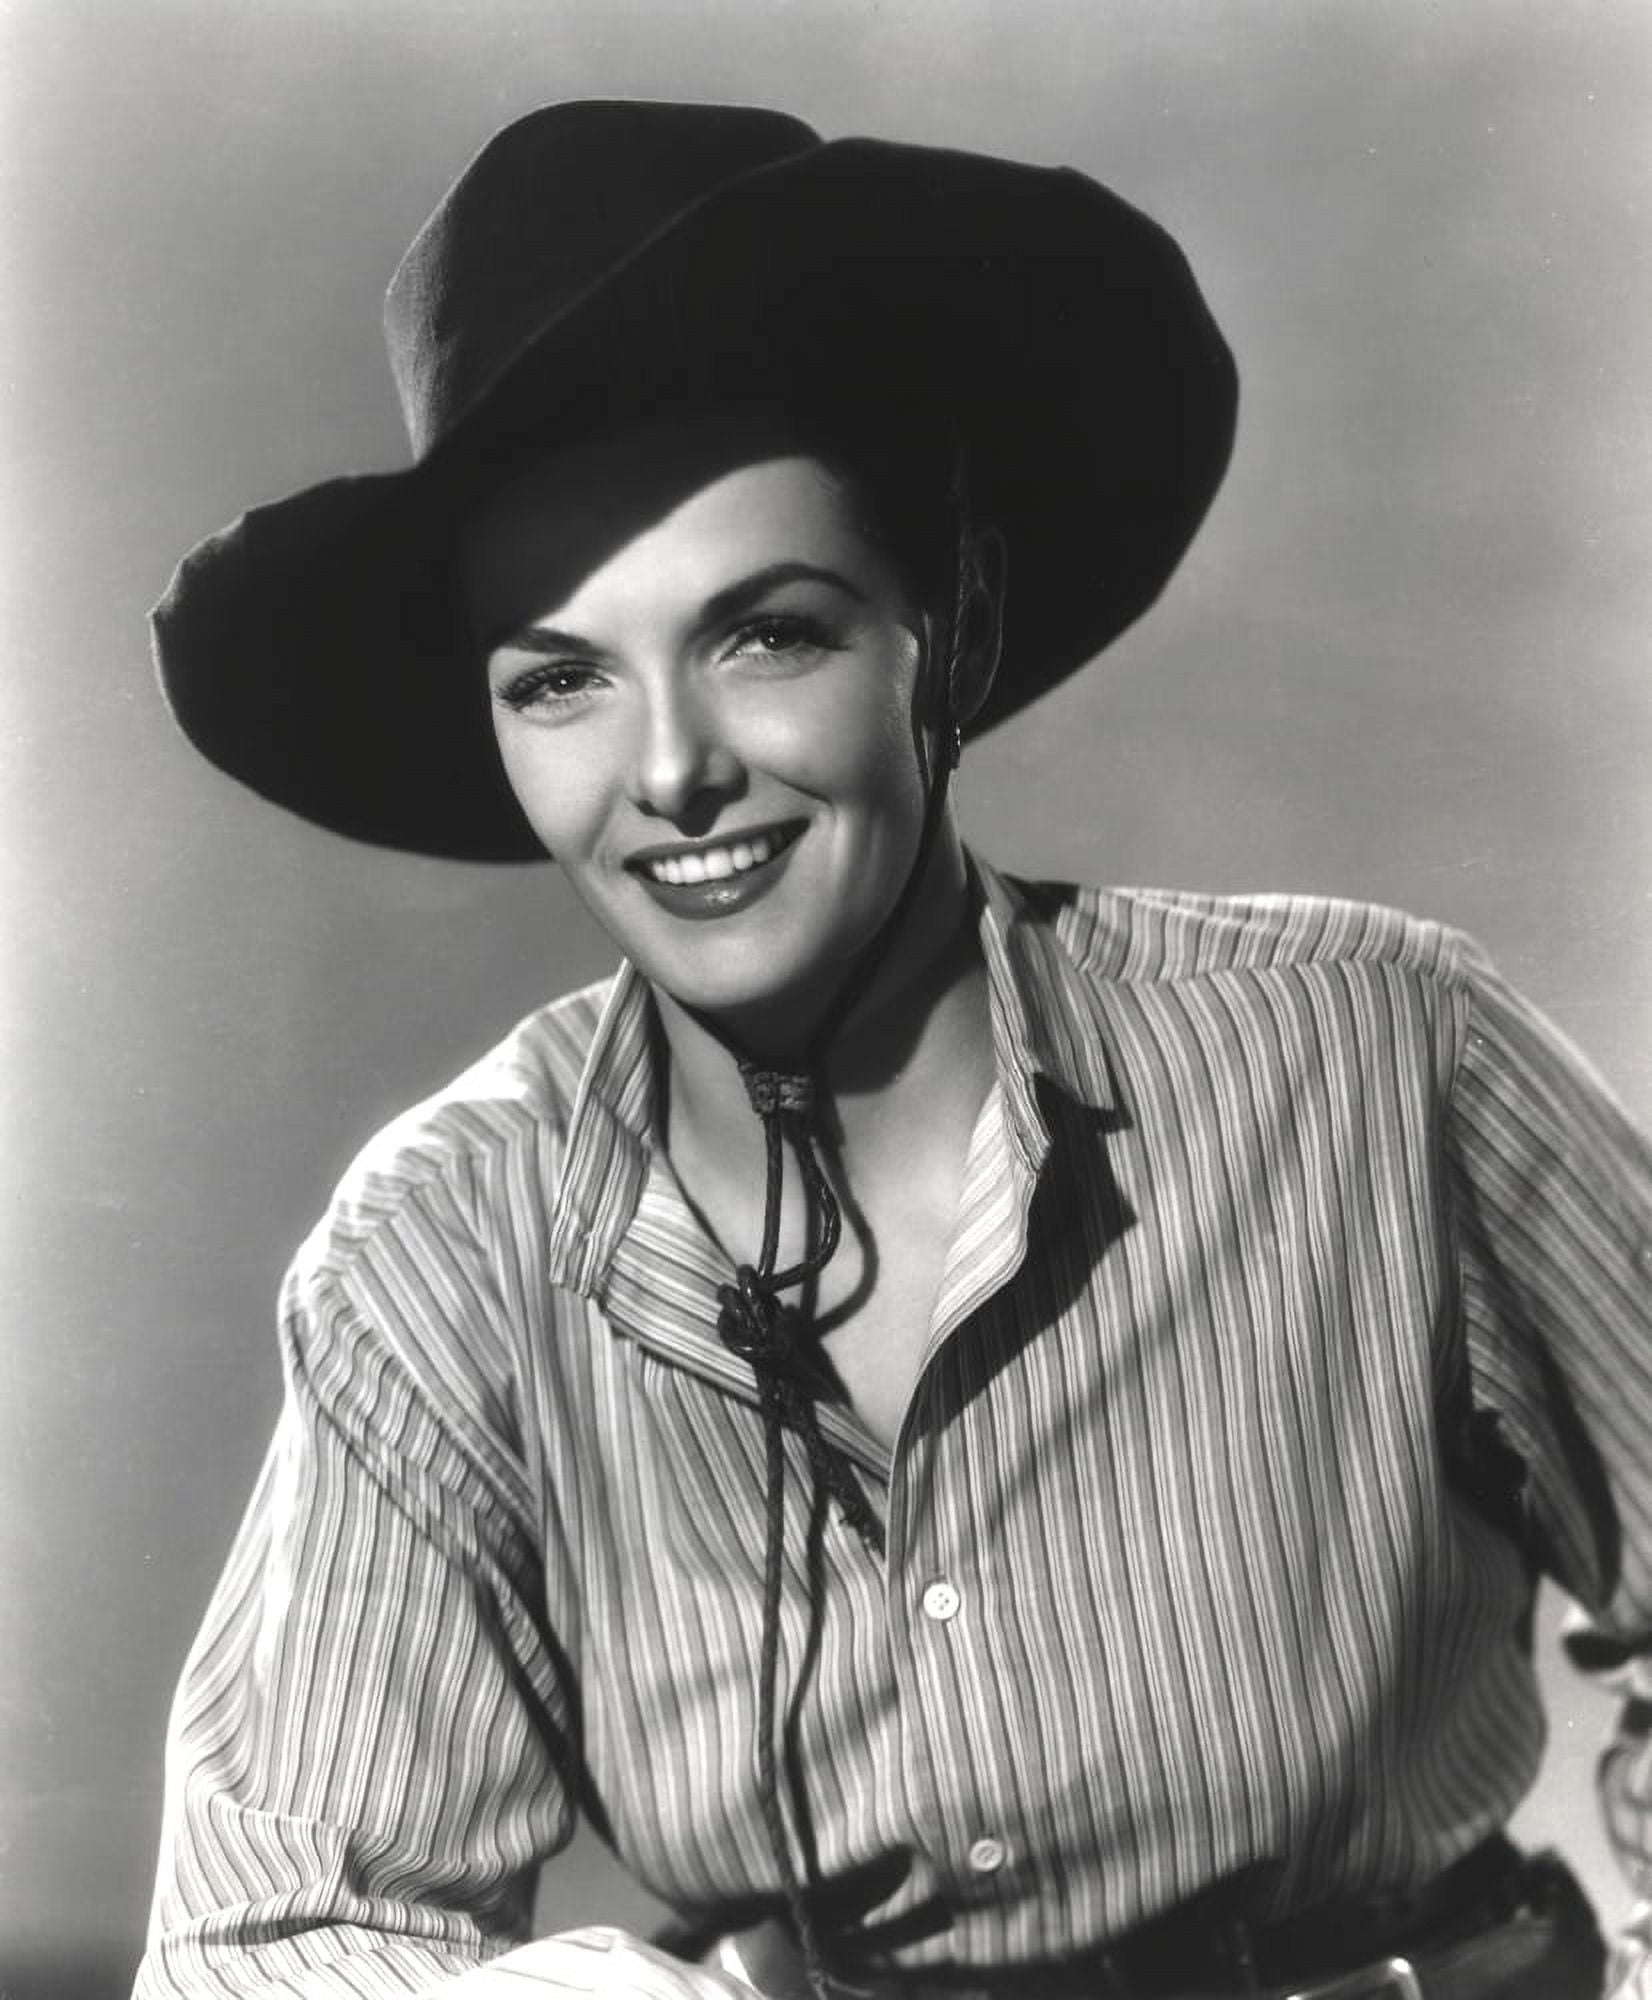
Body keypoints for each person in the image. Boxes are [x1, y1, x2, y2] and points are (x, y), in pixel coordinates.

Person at [134, 101, 1651, 2000]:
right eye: (562, 678)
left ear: (956, 631)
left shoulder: (1372, 1052)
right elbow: (262, 1937)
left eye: (766, 633)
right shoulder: (444, 1254)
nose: (670, 768)